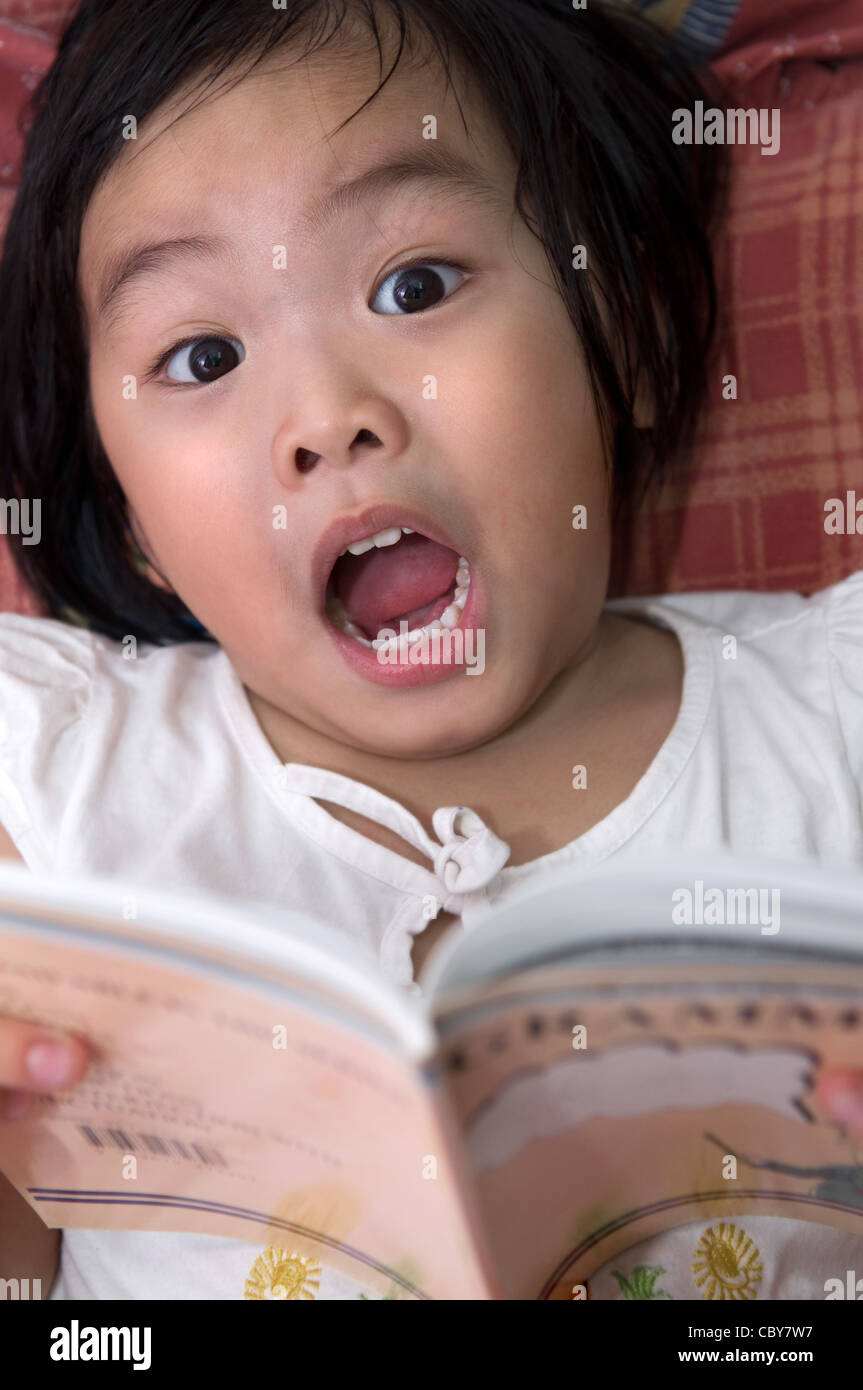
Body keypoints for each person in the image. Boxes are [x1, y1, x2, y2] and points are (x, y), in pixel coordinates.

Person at [0, 0, 860, 1300]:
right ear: (140, 528)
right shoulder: (53, 798)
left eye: (414, 285)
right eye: (203, 354)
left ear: (615, 328)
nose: (329, 416)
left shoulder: (831, 729)